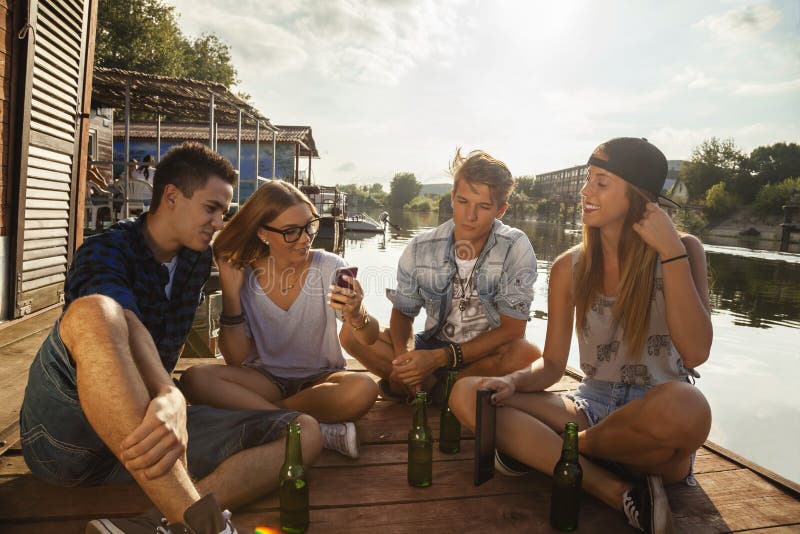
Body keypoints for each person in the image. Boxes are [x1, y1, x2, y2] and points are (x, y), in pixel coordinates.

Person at [19, 142, 322, 534]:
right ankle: (208, 527)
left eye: (224, 213)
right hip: (64, 440)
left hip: (148, 434)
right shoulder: (105, 248)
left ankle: (161, 523)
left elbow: (259, 241)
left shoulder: (196, 258)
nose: (218, 222)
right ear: (172, 197)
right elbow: (124, 320)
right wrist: (169, 391)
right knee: (97, 311)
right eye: (211, 208)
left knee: (305, 433)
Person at [449, 138, 713, 534]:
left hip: (653, 414)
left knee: (689, 407)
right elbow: (553, 364)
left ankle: (568, 450)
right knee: (469, 394)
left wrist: (670, 251)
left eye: (601, 182)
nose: (585, 192)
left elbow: (696, 352)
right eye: (588, 179)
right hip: (590, 403)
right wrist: (513, 381)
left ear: (639, 196)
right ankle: (614, 489)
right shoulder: (568, 266)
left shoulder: (683, 249)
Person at [180, 180, 379, 459]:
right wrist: (231, 292)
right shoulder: (244, 275)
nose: (305, 238)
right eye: (291, 232)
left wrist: (357, 314)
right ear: (263, 233)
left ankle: (270, 418)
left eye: (310, 226)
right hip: (264, 378)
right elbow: (236, 359)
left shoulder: (331, 267)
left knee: (364, 388)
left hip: (321, 380)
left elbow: (369, 337)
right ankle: (314, 429)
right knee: (194, 379)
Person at [341, 149, 541, 402]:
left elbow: (512, 330)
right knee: (350, 333)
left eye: (483, 206)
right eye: (463, 201)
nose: (470, 216)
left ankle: (440, 389)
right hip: (431, 346)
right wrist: (405, 360)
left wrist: (438, 359)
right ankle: (439, 389)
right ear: (452, 197)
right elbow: (404, 311)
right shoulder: (420, 247)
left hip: (484, 357)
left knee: (528, 355)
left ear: (500, 211)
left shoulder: (515, 246)